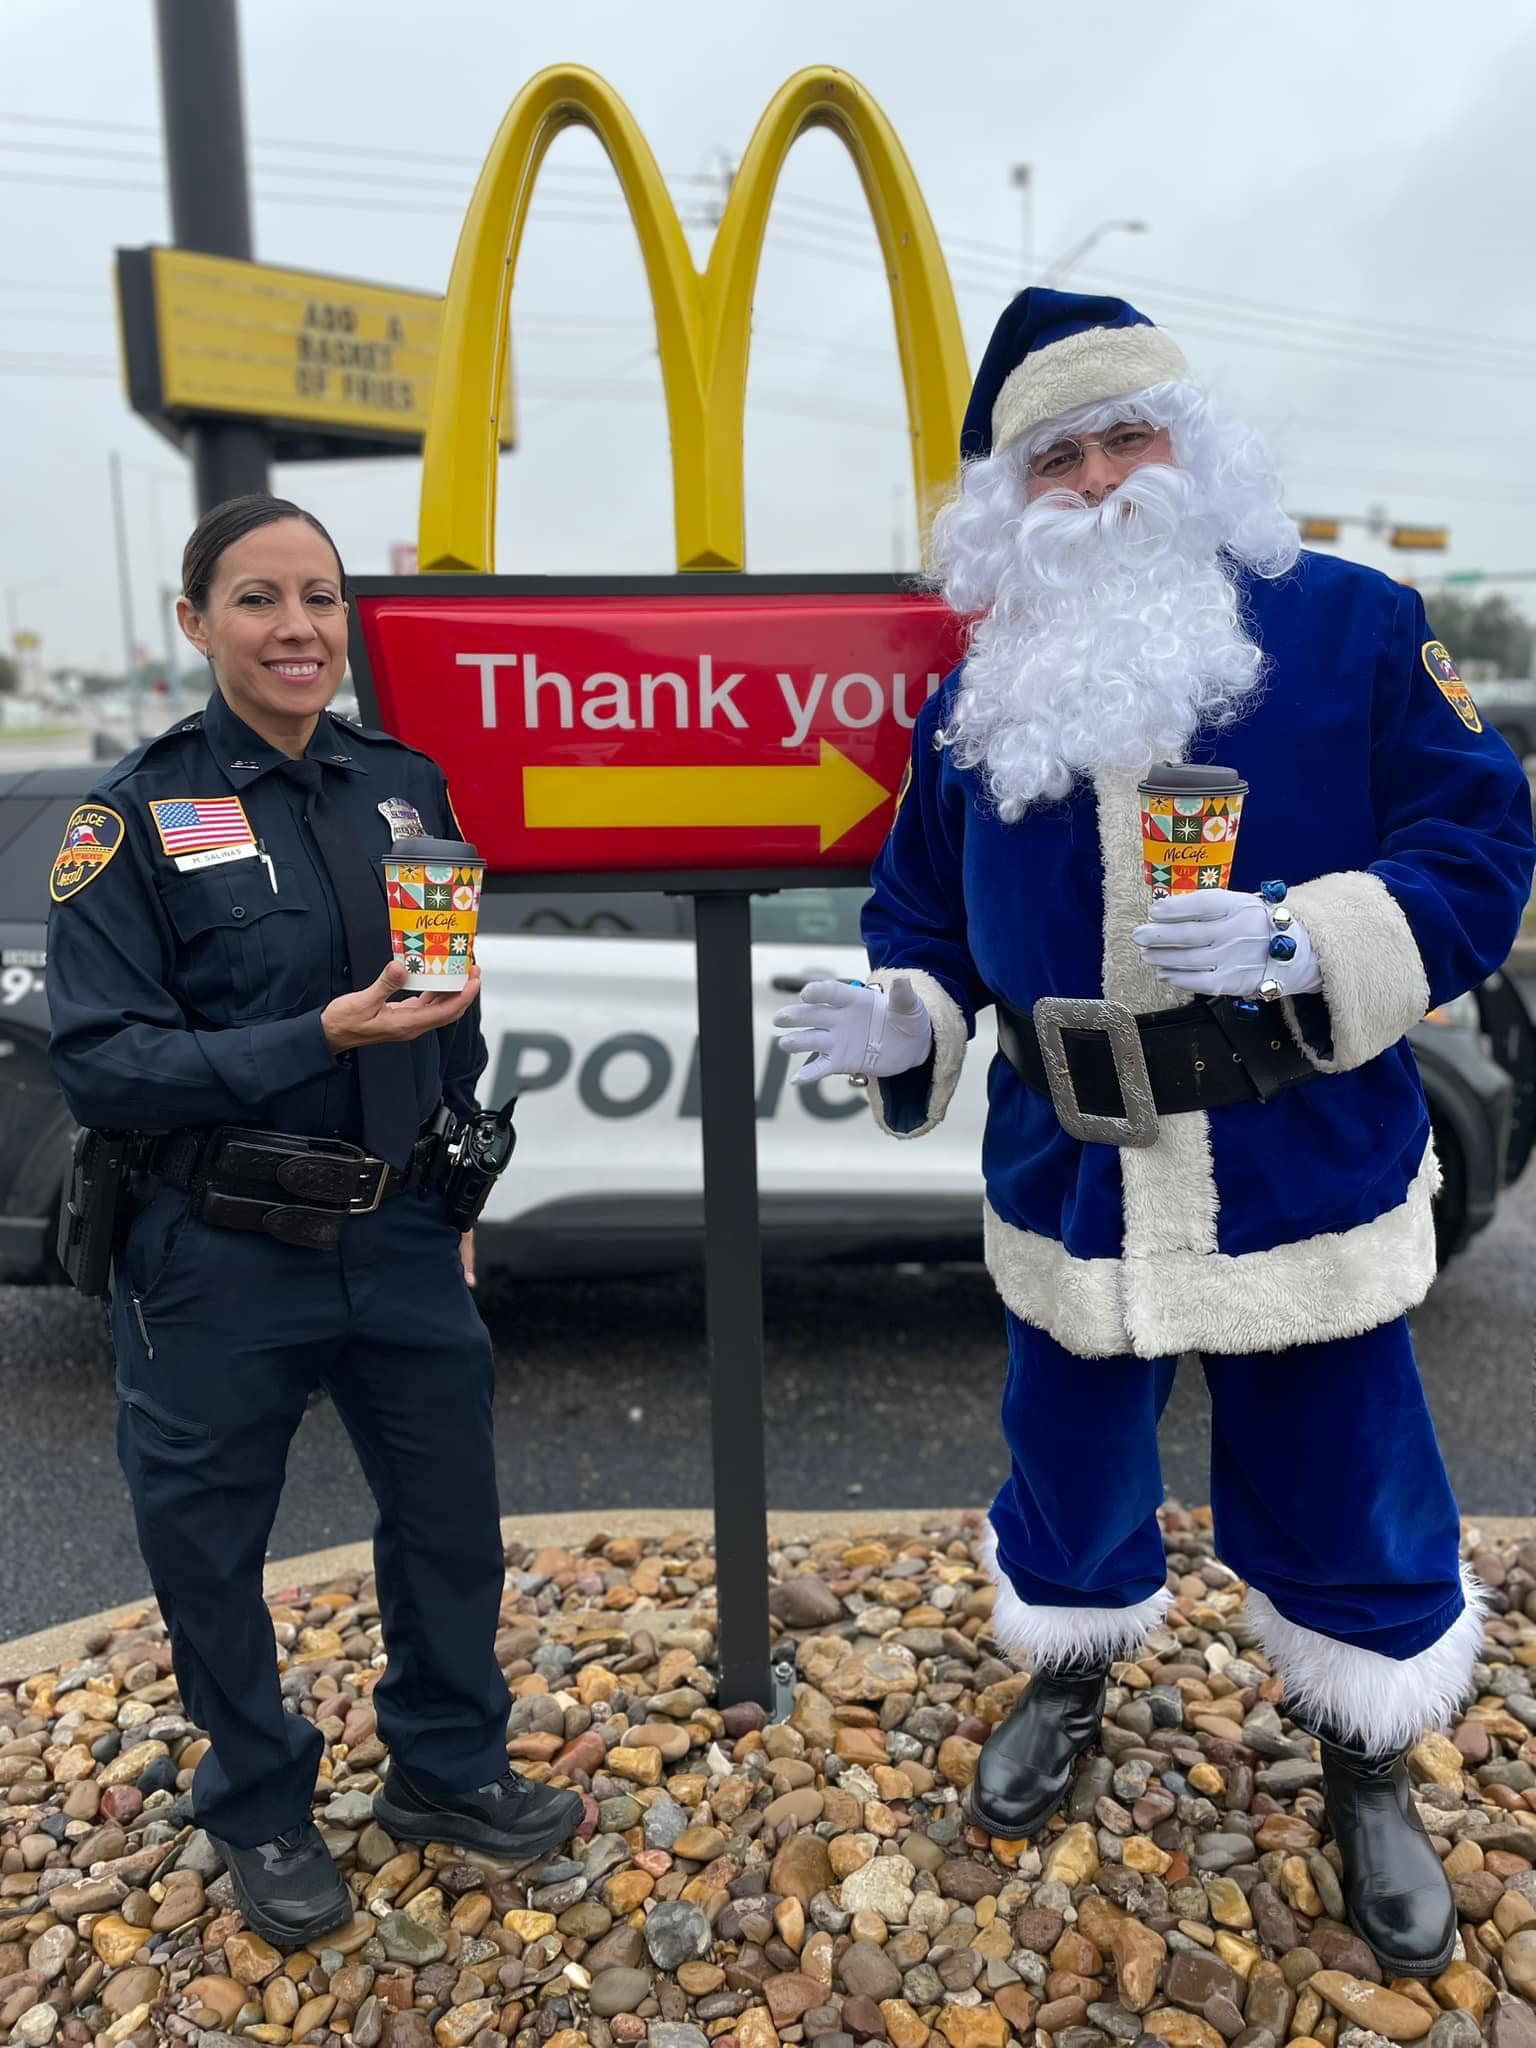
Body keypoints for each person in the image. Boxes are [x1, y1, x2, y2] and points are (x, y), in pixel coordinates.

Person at [775, 290, 1536, 1976]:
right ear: (1012, 498)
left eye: (1133, 435)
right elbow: (925, 910)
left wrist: (1307, 938)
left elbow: (1480, 848)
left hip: (1296, 1162)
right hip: (1073, 1177)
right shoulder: (980, 695)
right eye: (1061, 455)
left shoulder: (1348, 625)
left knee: (1349, 1471)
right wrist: (909, 1006)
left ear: (1196, 447)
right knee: (1068, 1464)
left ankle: (1368, 1754)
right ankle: (1068, 1670)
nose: (1105, 477)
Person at [46, 495, 581, 1948]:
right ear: (195, 622)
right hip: (214, 1253)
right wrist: (316, 1035)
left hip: (402, 1238)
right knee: (209, 1554)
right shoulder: (135, 816)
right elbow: (99, 1061)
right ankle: (265, 1810)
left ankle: (447, 1769)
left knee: (451, 1525)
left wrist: (455, 1188)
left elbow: (451, 1008)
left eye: (321, 600)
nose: (297, 630)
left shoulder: (402, 788)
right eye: (260, 600)